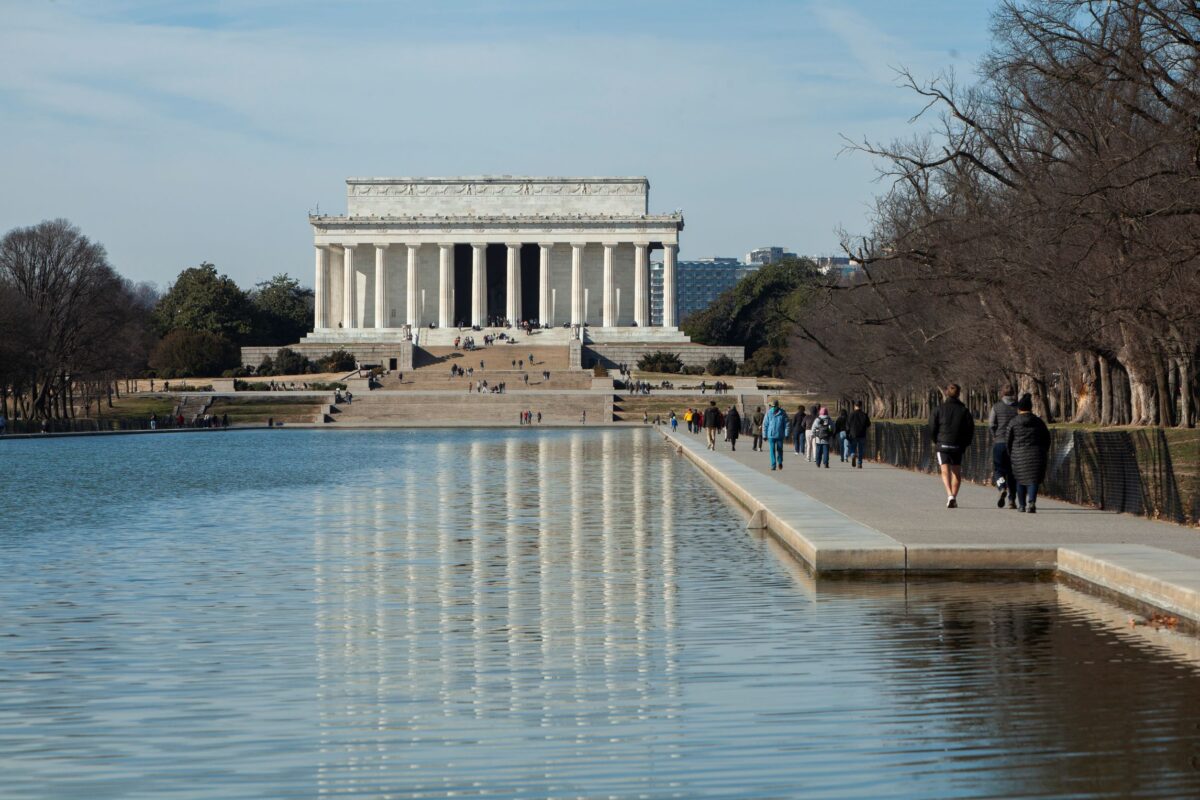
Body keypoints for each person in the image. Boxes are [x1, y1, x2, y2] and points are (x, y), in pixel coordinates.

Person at [929, 383, 976, 508]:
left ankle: (949, 494)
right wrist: (965, 443)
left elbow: (932, 426)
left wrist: (936, 440)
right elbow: (970, 428)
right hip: (957, 444)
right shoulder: (964, 410)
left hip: (942, 443)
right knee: (956, 472)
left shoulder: (938, 409)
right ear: (959, 394)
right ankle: (954, 496)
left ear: (946, 393)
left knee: (945, 471)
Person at [1006, 394, 1050, 513]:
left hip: (1018, 454)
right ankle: (1031, 501)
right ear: (1031, 408)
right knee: (1033, 480)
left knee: (1020, 480)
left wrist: (1011, 453)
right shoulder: (1039, 422)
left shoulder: (1013, 422)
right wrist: (1043, 450)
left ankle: (1021, 505)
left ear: (1019, 408)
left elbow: (1008, 440)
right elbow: (1047, 438)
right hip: (1036, 454)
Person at [988, 387, 1019, 509]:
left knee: (998, 469)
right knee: (1012, 472)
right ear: (1013, 393)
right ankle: (1012, 500)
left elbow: (991, 424)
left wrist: (994, 435)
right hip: (1014, 443)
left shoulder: (996, 407)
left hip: (1000, 441)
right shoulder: (1017, 407)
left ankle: (1002, 487)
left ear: (1002, 393)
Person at [761, 399, 789, 470]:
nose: (773, 407)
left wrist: (786, 434)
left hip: (780, 435)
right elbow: (765, 424)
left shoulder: (783, 413)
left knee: (780, 449)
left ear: (777, 406)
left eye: (775, 406)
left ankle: (780, 462)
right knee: (772, 450)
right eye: (772, 406)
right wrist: (764, 435)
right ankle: (773, 464)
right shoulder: (768, 413)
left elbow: (787, 424)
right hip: (771, 435)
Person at [846, 400, 870, 468]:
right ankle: (859, 463)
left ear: (855, 406)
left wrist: (848, 432)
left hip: (853, 434)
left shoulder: (851, 414)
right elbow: (868, 424)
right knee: (860, 449)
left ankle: (853, 454)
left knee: (852, 447)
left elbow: (847, 425)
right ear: (861, 406)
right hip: (862, 434)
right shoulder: (864, 414)